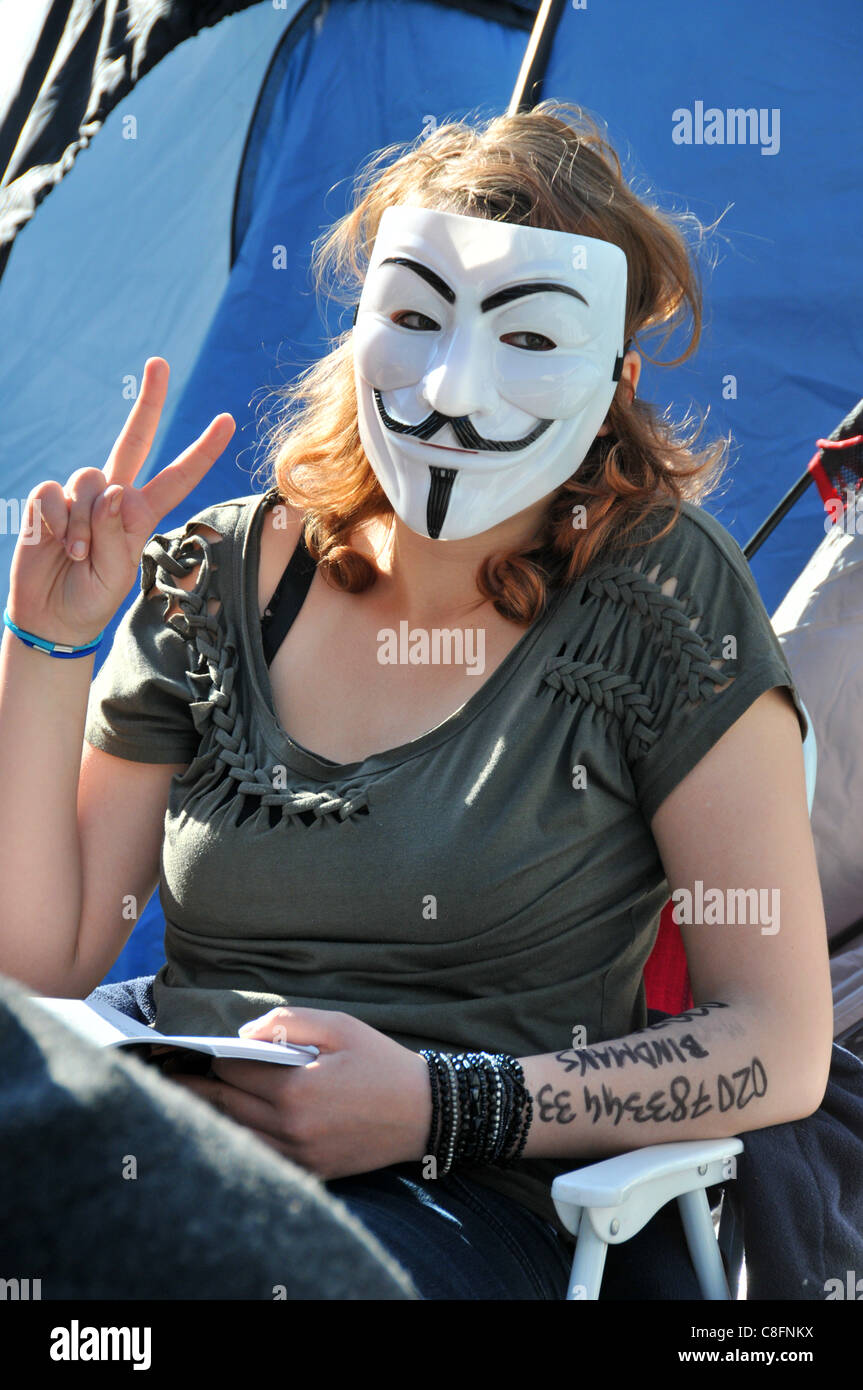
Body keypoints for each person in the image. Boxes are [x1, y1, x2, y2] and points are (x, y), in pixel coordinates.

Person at [0, 101, 833, 1301]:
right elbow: (43, 965)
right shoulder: (214, 581)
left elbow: (776, 1043)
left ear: (616, 381)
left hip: (467, 1206)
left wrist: (436, 1104)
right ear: (358, 331)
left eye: (528, 338)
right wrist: (49, 643)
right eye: (414, 320)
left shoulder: (661, 599)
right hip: (160, 1164)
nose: (451, 388)